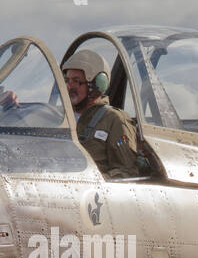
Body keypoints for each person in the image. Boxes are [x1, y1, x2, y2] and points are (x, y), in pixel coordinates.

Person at [59, 50, 142, 179]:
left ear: (97, 84)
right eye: (67, 81)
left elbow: (127, 172)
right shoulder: (59, 117)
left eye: (76, 81)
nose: (70, 87)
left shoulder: (114, 120)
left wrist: (94, 180)